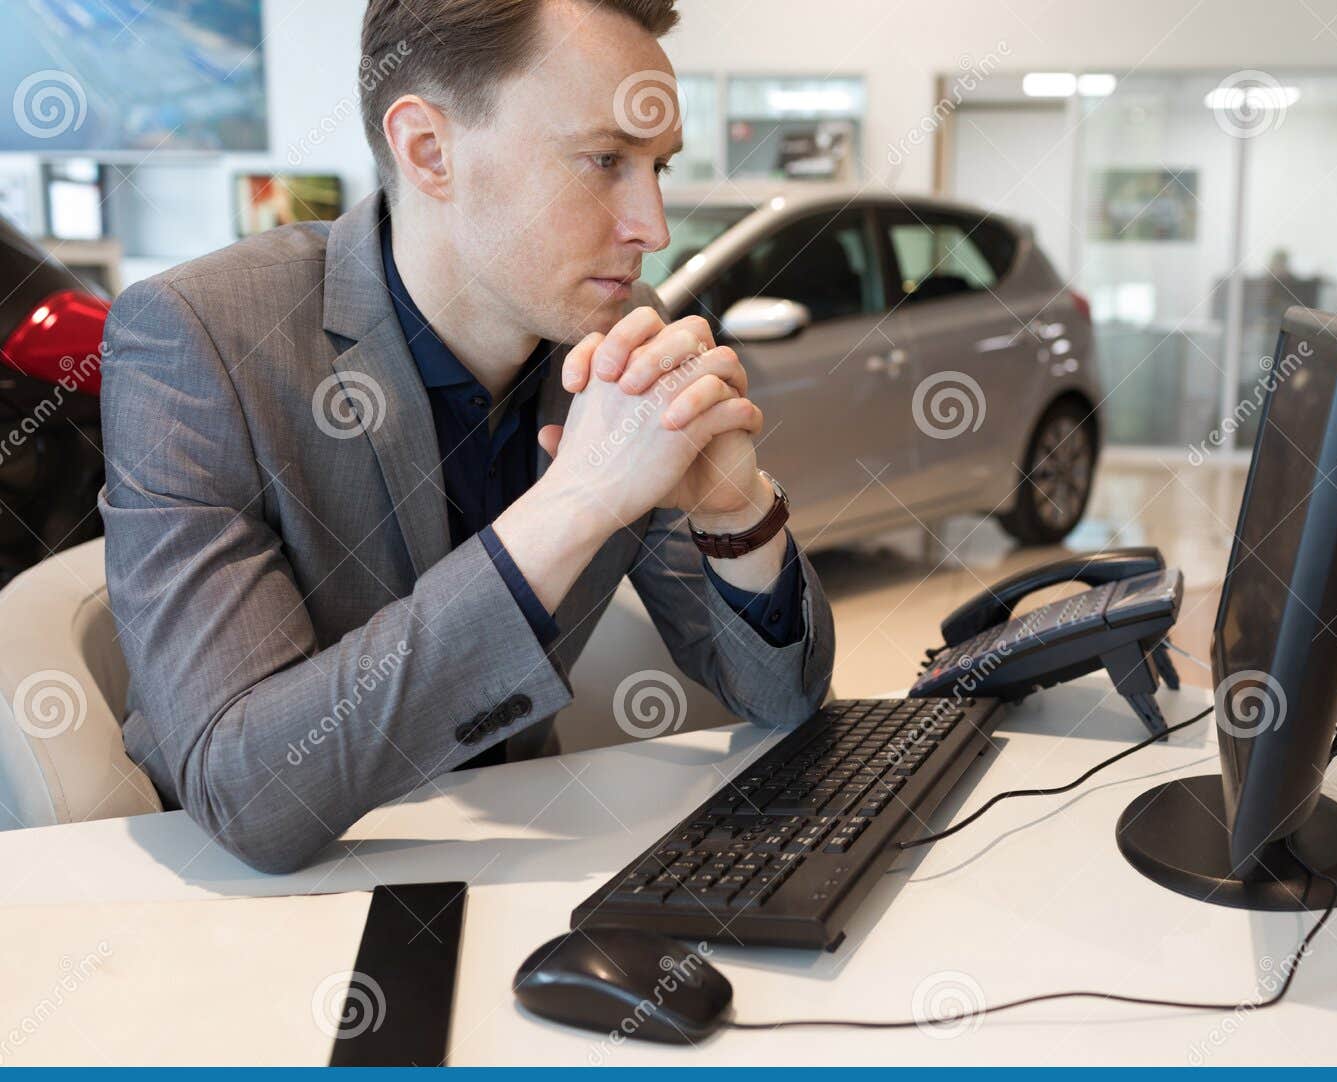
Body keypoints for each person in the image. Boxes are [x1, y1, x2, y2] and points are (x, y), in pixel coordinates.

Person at [97, 0, 834, 874]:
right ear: (428, 150)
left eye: (657, 167)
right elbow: (252, 796)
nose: (654, 227)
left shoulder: (613, 330)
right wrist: (574, 504)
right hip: (243, 912)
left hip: (507, 877)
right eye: (604, 160)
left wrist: (734, 511)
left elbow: (783, 696)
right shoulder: (202, 338)